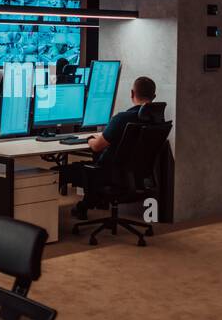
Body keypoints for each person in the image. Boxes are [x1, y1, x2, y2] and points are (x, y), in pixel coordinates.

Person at [61, 75, 157, 217]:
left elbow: (97, 147)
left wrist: (90, 139)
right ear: (154, 96)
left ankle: (81, 206)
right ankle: (88, 203)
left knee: (62, 172)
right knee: (95, 165)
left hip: (111, 175)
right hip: (139, 176)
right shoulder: (156, 120)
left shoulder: (122, 118)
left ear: (132, 93)